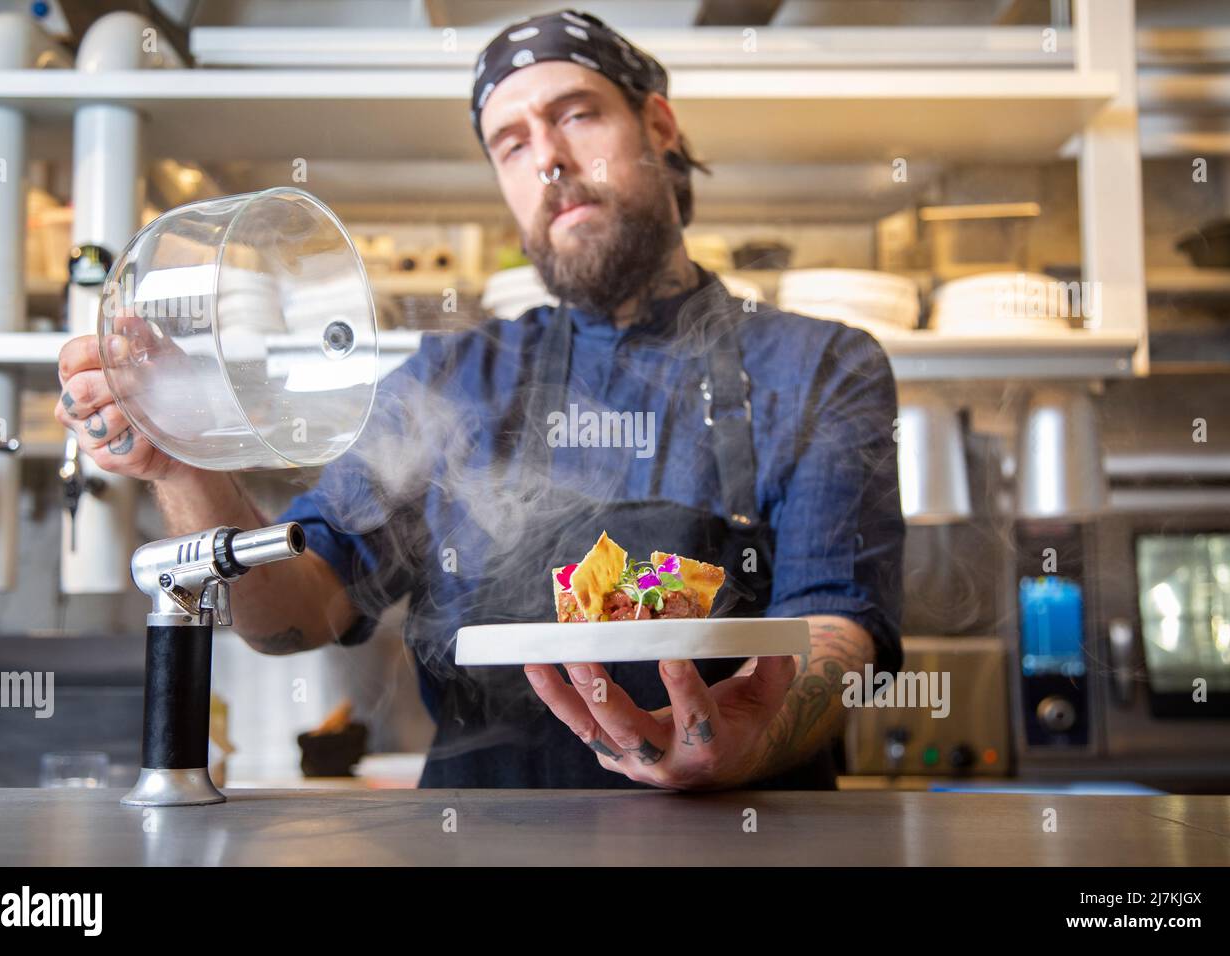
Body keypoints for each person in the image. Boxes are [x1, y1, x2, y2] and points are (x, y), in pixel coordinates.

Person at [54, 8, 904, 791]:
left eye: (575, 114)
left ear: (658, 126)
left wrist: (755, 734)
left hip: (751, 839)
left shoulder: (821, 366)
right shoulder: (451, 383)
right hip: (483, 840)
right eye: (510, 142)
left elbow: (836, 628)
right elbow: (296, 610)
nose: (549, 160)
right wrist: (182, 458)